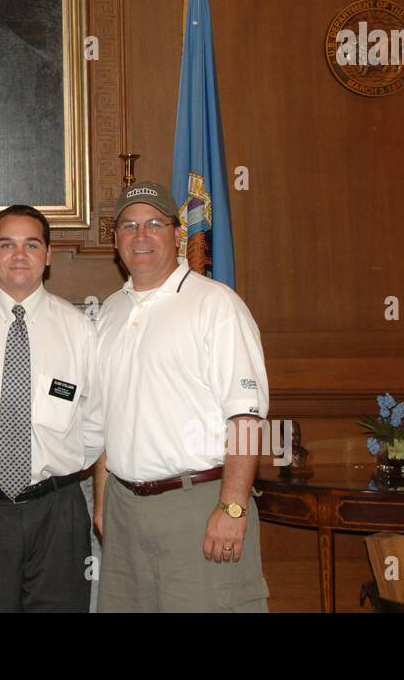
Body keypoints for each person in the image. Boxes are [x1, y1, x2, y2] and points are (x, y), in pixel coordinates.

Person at [94, 182, 271, 612]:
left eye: (155, 223)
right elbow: (104, 420)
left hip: (199, 506)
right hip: (124, 511)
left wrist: (232, 508)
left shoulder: (216, 305)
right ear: (115, 240)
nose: (141, 235)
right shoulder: (108, 313)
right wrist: (101, 504)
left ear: (177, 234)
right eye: (129, 226)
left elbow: (246, 419)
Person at [0, 204, 101, 612]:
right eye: (7, 245)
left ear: (48, 255)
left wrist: (63, 468)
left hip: (59, 510)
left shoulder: (78, 328)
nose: (19, 255)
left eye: (31, 244)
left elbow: (96, 420)